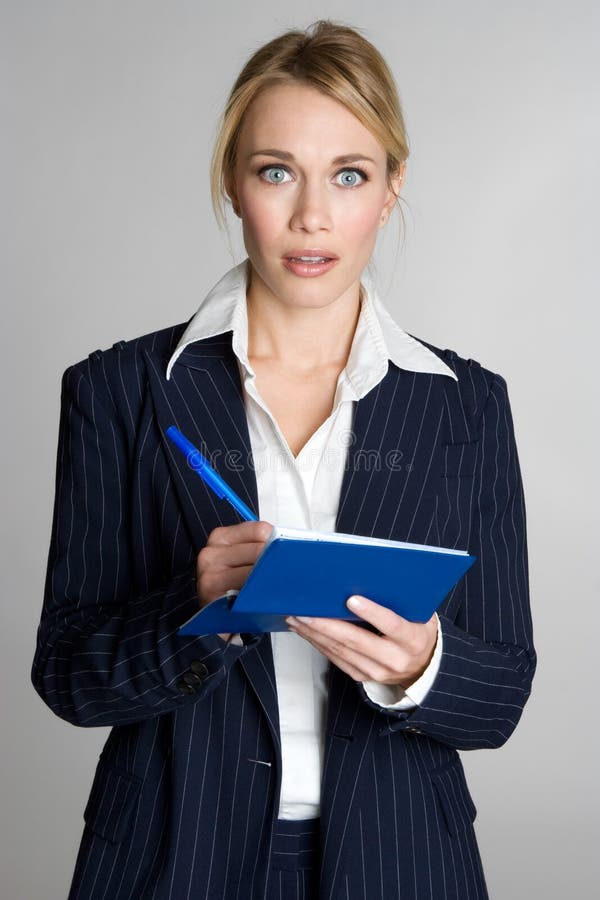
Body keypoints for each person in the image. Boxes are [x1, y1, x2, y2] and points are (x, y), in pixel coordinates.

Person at [31, 18, 536, 900]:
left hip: (402, 864)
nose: (311, 215)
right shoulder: (119, 391)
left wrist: (420, 667)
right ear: (235, 183)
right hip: (170, 859)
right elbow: (69, 675)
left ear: (391, 188)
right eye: (276, 172)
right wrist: (192, 607)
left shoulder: (466, 404)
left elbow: (500, 696)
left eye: (349, 174)